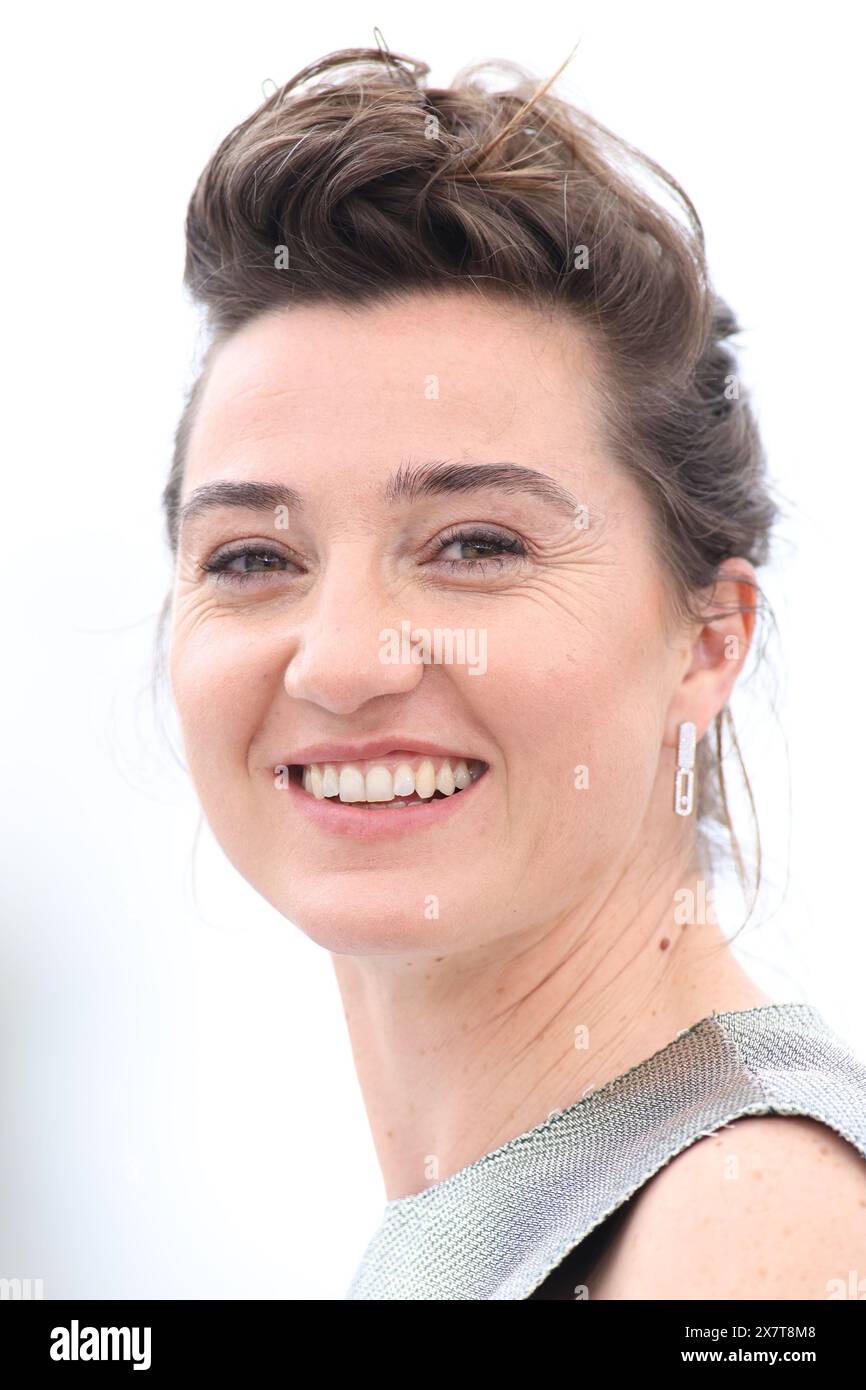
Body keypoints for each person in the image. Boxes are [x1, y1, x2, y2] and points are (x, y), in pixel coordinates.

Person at [159, 44, 866, 1299]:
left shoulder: (750, 1229)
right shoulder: (515, 1228)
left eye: (475, 544)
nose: (343, 662)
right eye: (254, 555)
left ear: (708, 640)